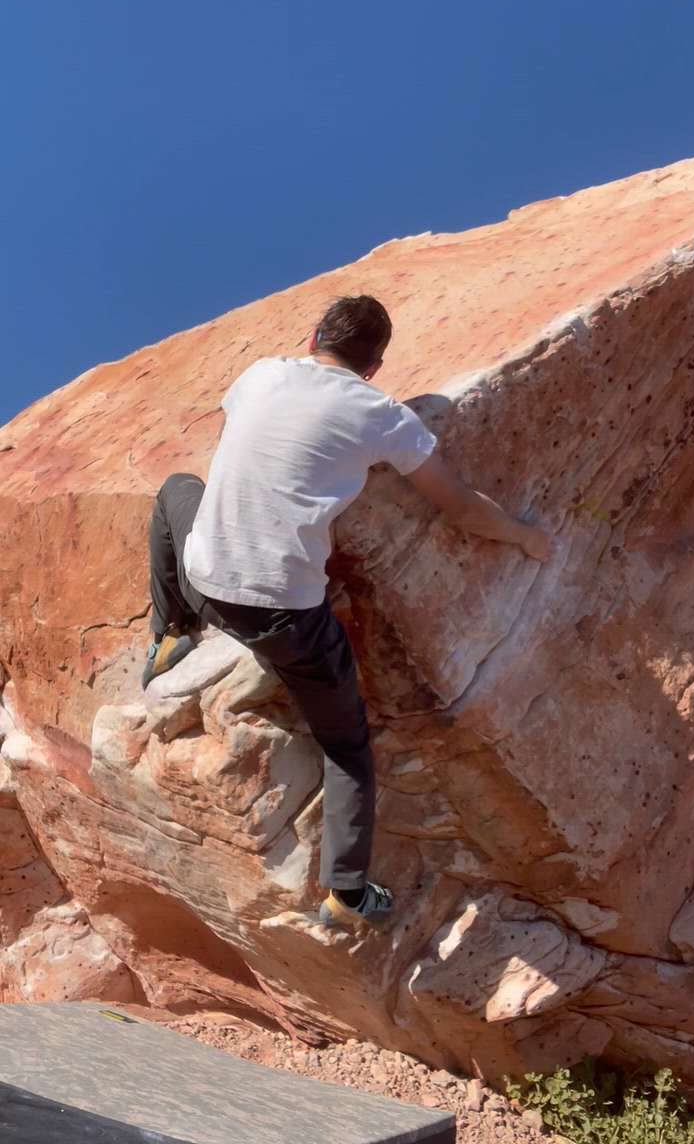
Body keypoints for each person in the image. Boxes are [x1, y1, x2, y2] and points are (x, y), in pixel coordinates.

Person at [142, 295, 551, 930]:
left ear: (312, 339)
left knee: (176, 491)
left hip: (207, 582)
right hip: (286, 618)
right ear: (376, 365)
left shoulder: (261, 374)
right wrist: (525, 537)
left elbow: (248, 456)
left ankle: (171, 631)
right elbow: (461, 507)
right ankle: (347, 893)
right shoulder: (383, 417)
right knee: (347, 747)